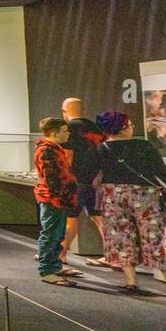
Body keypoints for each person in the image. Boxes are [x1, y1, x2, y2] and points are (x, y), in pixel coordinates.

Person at [95, 111, 166, 297]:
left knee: (121, 236)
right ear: (124, 128)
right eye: (130, 124)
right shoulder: (143, 145)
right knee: (157, 236)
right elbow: (161, 170)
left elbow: (88, 174)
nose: (132, 126)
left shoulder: (101, 148)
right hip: (145, 196)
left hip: (114, 197)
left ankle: (131, 282)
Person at [59, 97, 111, 267]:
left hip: (77, 179)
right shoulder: (96, 128)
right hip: (96, 180)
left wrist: (63, 178)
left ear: (65, 111)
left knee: (71, 216)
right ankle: (113, 255)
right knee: (98, 217)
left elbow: (68, 155)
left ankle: (61, 254)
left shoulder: (70, 129)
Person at [33, 117, 79, 286]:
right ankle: (47, 271)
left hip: (58, 198)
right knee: (50, 234)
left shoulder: (54, 149)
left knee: (57, 234)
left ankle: (54, 266)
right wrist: (61, 197)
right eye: (65, 131)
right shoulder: (47, 151)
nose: (68, 133)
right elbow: (52, 178)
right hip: (53, 199)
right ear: (54, 133)